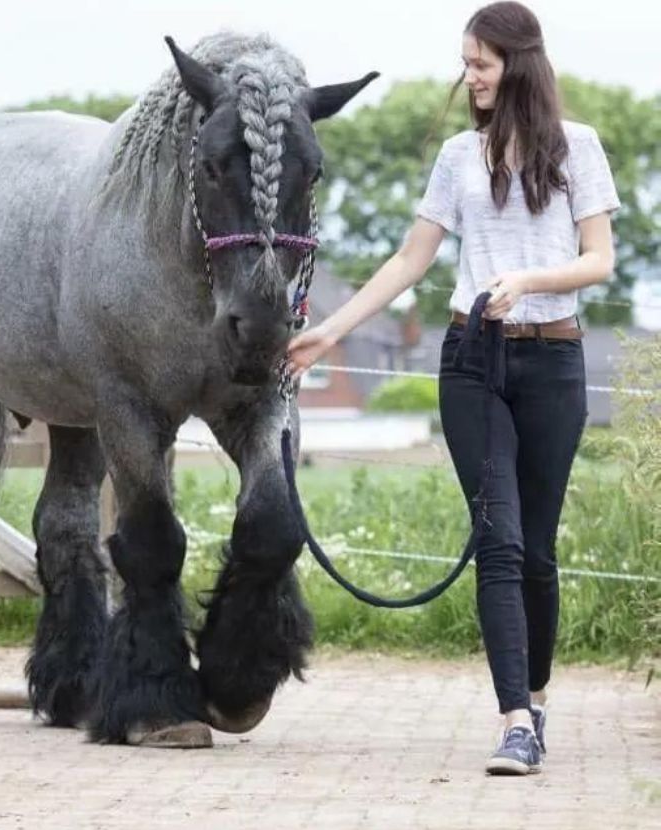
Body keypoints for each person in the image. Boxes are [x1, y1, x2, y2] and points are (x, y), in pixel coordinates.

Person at [287, 1, 619, 775]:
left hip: (554, 362)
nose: (469, 77)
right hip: (472, 361)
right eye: (466, 63)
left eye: (481, 64)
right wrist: (329, 332)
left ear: (518, 65)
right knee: (498, 540)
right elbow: (411, 260)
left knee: (537, 553)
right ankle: (515, 723)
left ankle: (535, 698)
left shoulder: (579, 147)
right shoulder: (457, 157)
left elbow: (598, 259)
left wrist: (528, 280)